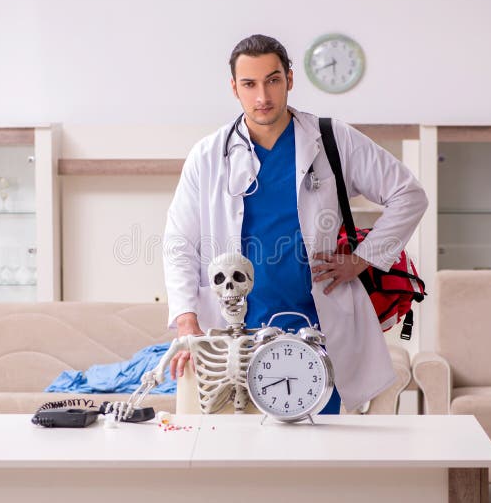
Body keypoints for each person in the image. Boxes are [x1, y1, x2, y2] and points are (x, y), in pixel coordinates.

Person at [162, 34, 427, 413]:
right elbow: (179, 243)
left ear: (289, 78)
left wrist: (362, 259)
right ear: (234, 88)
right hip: (236, 333)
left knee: (318, 458)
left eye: (272, 80)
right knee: (236, 455)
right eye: (249, 84)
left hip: (318, 333)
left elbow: (409, 194)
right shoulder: (208, 156)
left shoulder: (332, 139)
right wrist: (186, 320)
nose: (262, 97)